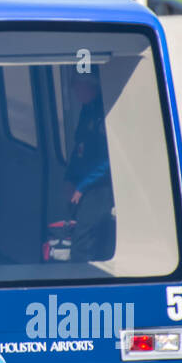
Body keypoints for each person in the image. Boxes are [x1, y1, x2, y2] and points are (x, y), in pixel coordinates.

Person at [61, 72, 115, 261]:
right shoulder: (87, 110)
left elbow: (108, 160)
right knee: (75, 231)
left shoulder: (103, 111)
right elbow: (79, 148)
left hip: (100, 187)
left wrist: (82, 186)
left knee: (82, 242)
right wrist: (70, 178)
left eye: (77, 85)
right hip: (83, 184)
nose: (74, 90)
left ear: (89, 86)